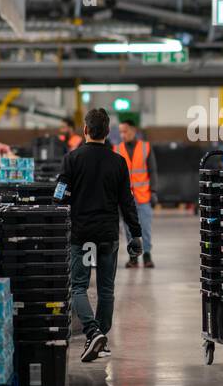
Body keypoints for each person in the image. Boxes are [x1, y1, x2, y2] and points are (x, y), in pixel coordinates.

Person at [57, 108, 143, 362]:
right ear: (108, 133)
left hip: (82, 235)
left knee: (79, 287)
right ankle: (100, 339)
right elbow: (127, 202)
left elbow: (59, 195)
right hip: (107, 236)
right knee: (106, 289)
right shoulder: (118, 162)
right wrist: (135, 234)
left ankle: (92, 331)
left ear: (85, 130)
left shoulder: (72, 159)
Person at [114, 117, 157, 268]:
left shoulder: (146, 147)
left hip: (144, 196)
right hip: (126, 198)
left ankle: (147, 256)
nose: (122, 135)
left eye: (125, 131)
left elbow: (152, 171)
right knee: (128, 229)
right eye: (120, 132)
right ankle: (133, 258)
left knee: (145, 227)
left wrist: (154, 191)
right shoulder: (117, 149)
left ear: (133, 131)